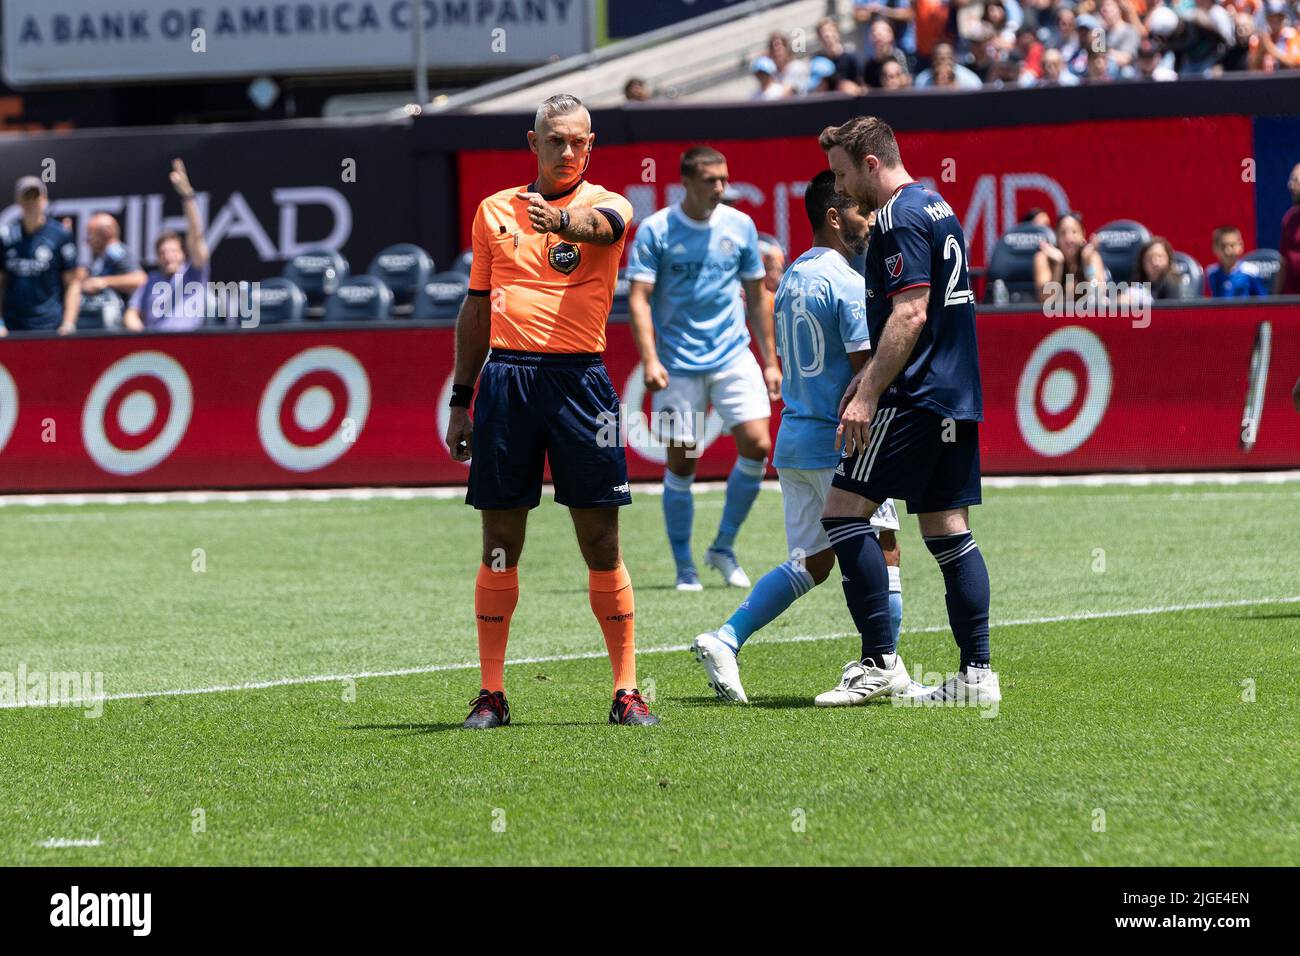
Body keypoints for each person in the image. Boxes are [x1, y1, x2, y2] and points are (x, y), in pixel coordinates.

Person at [445, 93, 658, 729]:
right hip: (507, 382)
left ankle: (625, 691)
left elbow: (605, 231)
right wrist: (462, 398)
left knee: (600, 539)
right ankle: (491, 693)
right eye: (555, 140)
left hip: (581, 382)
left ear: (591, 147)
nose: (567, 152)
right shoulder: (493, 212)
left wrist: (559, 223)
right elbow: (477, 310)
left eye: (579, 142)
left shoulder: (609, 204)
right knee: (501, 542)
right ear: (531, 142)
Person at [691, 172, 906, 703]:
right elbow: (864, 373)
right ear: (834, 217)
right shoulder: (847, 282)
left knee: (813, 561)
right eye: (859, 209)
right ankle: (885, 665)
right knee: (885, 546)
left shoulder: (789, 278)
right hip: (841, 442)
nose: (870, 219)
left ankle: (726, 638)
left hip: (794, 437)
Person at [818, 116, 999, 708]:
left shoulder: (896, 215)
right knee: (947, 527)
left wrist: (869, 392)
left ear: (872, 163)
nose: (840, 190)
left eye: (843, 175)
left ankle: (879, 664)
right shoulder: (938, 205)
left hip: (915, 397)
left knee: (843, 512)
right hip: (955, 395)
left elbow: (910, 314)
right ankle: (977, 674)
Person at [627, 146, 781, 593]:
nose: (721, 188)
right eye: (712, 180)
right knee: (684, 461)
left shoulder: (741, 226)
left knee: (757, 445)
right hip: (678, 365)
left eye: (724, 179)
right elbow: (638, 297)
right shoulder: (657, 229)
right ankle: (684, 567)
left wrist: (770, 362)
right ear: (688, 183)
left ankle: (723, 547)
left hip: (734, 355)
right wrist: (651, 358)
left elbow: (756, 296)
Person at [124, 160, 210, 332]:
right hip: (156, 350)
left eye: (173, 251)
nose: (168, 256)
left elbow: (196, 235)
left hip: (188, 344)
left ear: (183, 254)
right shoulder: (150, 282)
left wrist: (187, 197)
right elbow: (131, 314)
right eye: (162, 253)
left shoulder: (194, 274)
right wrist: (140, 333)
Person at [0, 176, 81, 336]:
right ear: (18, 201)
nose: (31, 202)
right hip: (12, 327)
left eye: (35, 196)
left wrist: (69, 322)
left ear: (44, 200)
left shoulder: (60, 235)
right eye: (26, 197)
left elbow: (72, 282)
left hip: (50, 325)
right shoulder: (6, 236)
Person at [79, 212, 147, 322]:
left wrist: (103, 282)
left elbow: (140, 279)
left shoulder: (116, 252)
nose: (87, 241)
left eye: (90, 235)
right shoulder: (103, 256)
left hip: (118, 322)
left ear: (106, 233)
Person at [1034, 212, 1108, 302]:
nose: (1069, 238)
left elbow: (1098, 295)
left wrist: (1086, 263)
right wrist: (1058, 266)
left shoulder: (1090, 256)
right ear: (1056, 237)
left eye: (1074, 232)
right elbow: (1045, 300)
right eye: (1063, 233)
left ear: (1083, 235)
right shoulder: (1044, 257)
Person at [1205, 225, 1268, 297]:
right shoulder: (1210, 273)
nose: (1228, 250)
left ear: (1240, 246)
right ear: (1215, 248)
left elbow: (1262, 301)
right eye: (1223, 246)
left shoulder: (1251, 272)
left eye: (1232, 245)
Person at [1274, 162, 1300, 294]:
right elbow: (1283, 262)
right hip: (1290, 299)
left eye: (1296, 180)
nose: (1290, 185)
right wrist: (1275, 299)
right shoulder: (1289, 218)